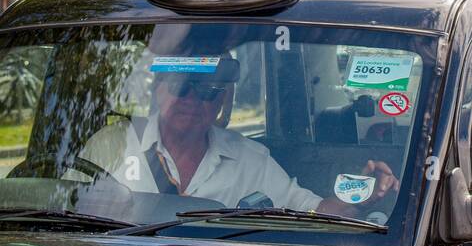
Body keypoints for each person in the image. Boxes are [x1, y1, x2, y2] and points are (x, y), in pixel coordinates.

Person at [82, 56, 397, 216]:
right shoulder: (113, 144)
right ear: (159, 89)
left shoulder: (249, 159)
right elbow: (68, 212)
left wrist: (361, 195)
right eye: (181, 86)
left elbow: (313, 212)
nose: (192, 99)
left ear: (222, 101)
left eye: (208, 90)